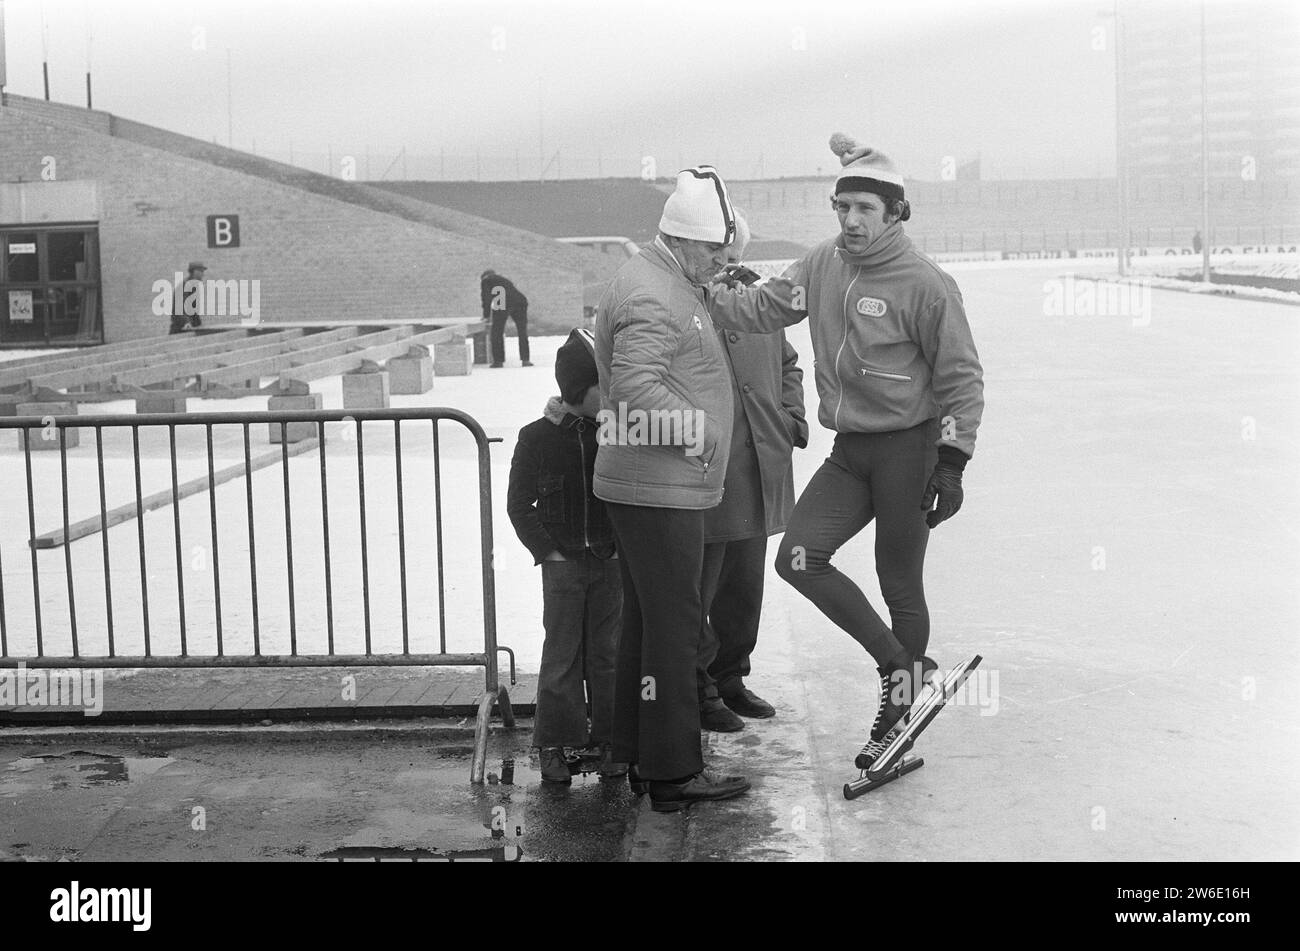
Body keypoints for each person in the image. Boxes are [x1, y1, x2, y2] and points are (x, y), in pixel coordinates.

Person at [705, 135, 985, 767]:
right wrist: (703, 292)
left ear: (895, 214)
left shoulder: (926, 285)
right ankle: (900, 666)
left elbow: (961, 379)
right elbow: (762, 308)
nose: (851, 221)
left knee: (898, 579)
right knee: (799, 558)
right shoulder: (821, 265)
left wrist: (952, 460)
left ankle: (895, 704)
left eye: (865, 209)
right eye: (842, 208)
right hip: (851, 448)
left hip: (910, 450)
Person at [592, 165, 750, 812]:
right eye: (715, 249)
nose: (722, 260)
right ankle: (673, 770)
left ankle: (631, 749)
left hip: (648, 484)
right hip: (658, 487)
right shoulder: (653, 294)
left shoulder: (668, 279)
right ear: (684, 240)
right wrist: (703, 433)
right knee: (676, 627)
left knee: (647, 624)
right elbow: (634, 388)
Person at [697, 213, 809, 733]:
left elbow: (788, 364)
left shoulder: (757, 302)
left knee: (744, 587)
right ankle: (698, 689)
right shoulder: (687, 304)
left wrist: (791, 419)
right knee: (699, 588)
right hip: (707, 472)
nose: (730, 265)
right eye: (722, 256)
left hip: (758, 466)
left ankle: (731, 678)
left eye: (735, 255)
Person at [507, 329, 623, 783]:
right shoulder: (536, 438)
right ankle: (554, 743)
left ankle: (613, 739)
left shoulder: (615, 432)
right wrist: (549, 552)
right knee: (562, 655)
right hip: (563, 566)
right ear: (579, 390)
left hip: (609, 561)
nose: (609, 393)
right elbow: (519, 505)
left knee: (608, 654)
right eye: (602, 385)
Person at [480, 269, 533, 367]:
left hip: (502, 302)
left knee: (497, 332)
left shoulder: (486, 280)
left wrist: (486, 316)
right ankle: (526, 360)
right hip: (520, 301)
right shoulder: (505, 279)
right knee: (522, 332)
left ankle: (498, 361)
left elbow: (486, 298)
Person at [170, 262, 206, 334]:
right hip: (180, 328)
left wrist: (199, 325)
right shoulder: (183, 287)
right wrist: (186, 323)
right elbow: (179, 309)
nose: (203, 274)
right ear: (195, 272)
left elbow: (193, 311)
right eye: (201, 271)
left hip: (189, 327)